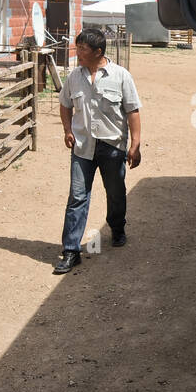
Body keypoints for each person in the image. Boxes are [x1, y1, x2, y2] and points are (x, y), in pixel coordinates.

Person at [53, 28, 142, 275]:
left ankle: (117, 226)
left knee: (115, 192)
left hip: (112, 146)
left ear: (98, 52)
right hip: (82, 146)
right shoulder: (74, 77)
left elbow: (132, 111)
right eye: (77, 47)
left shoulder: (121, 76)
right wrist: (67, 129)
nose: (77, 53)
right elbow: (65, 104)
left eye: (82, 49)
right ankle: (71, 250)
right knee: (77, 197)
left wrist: (134, 144)